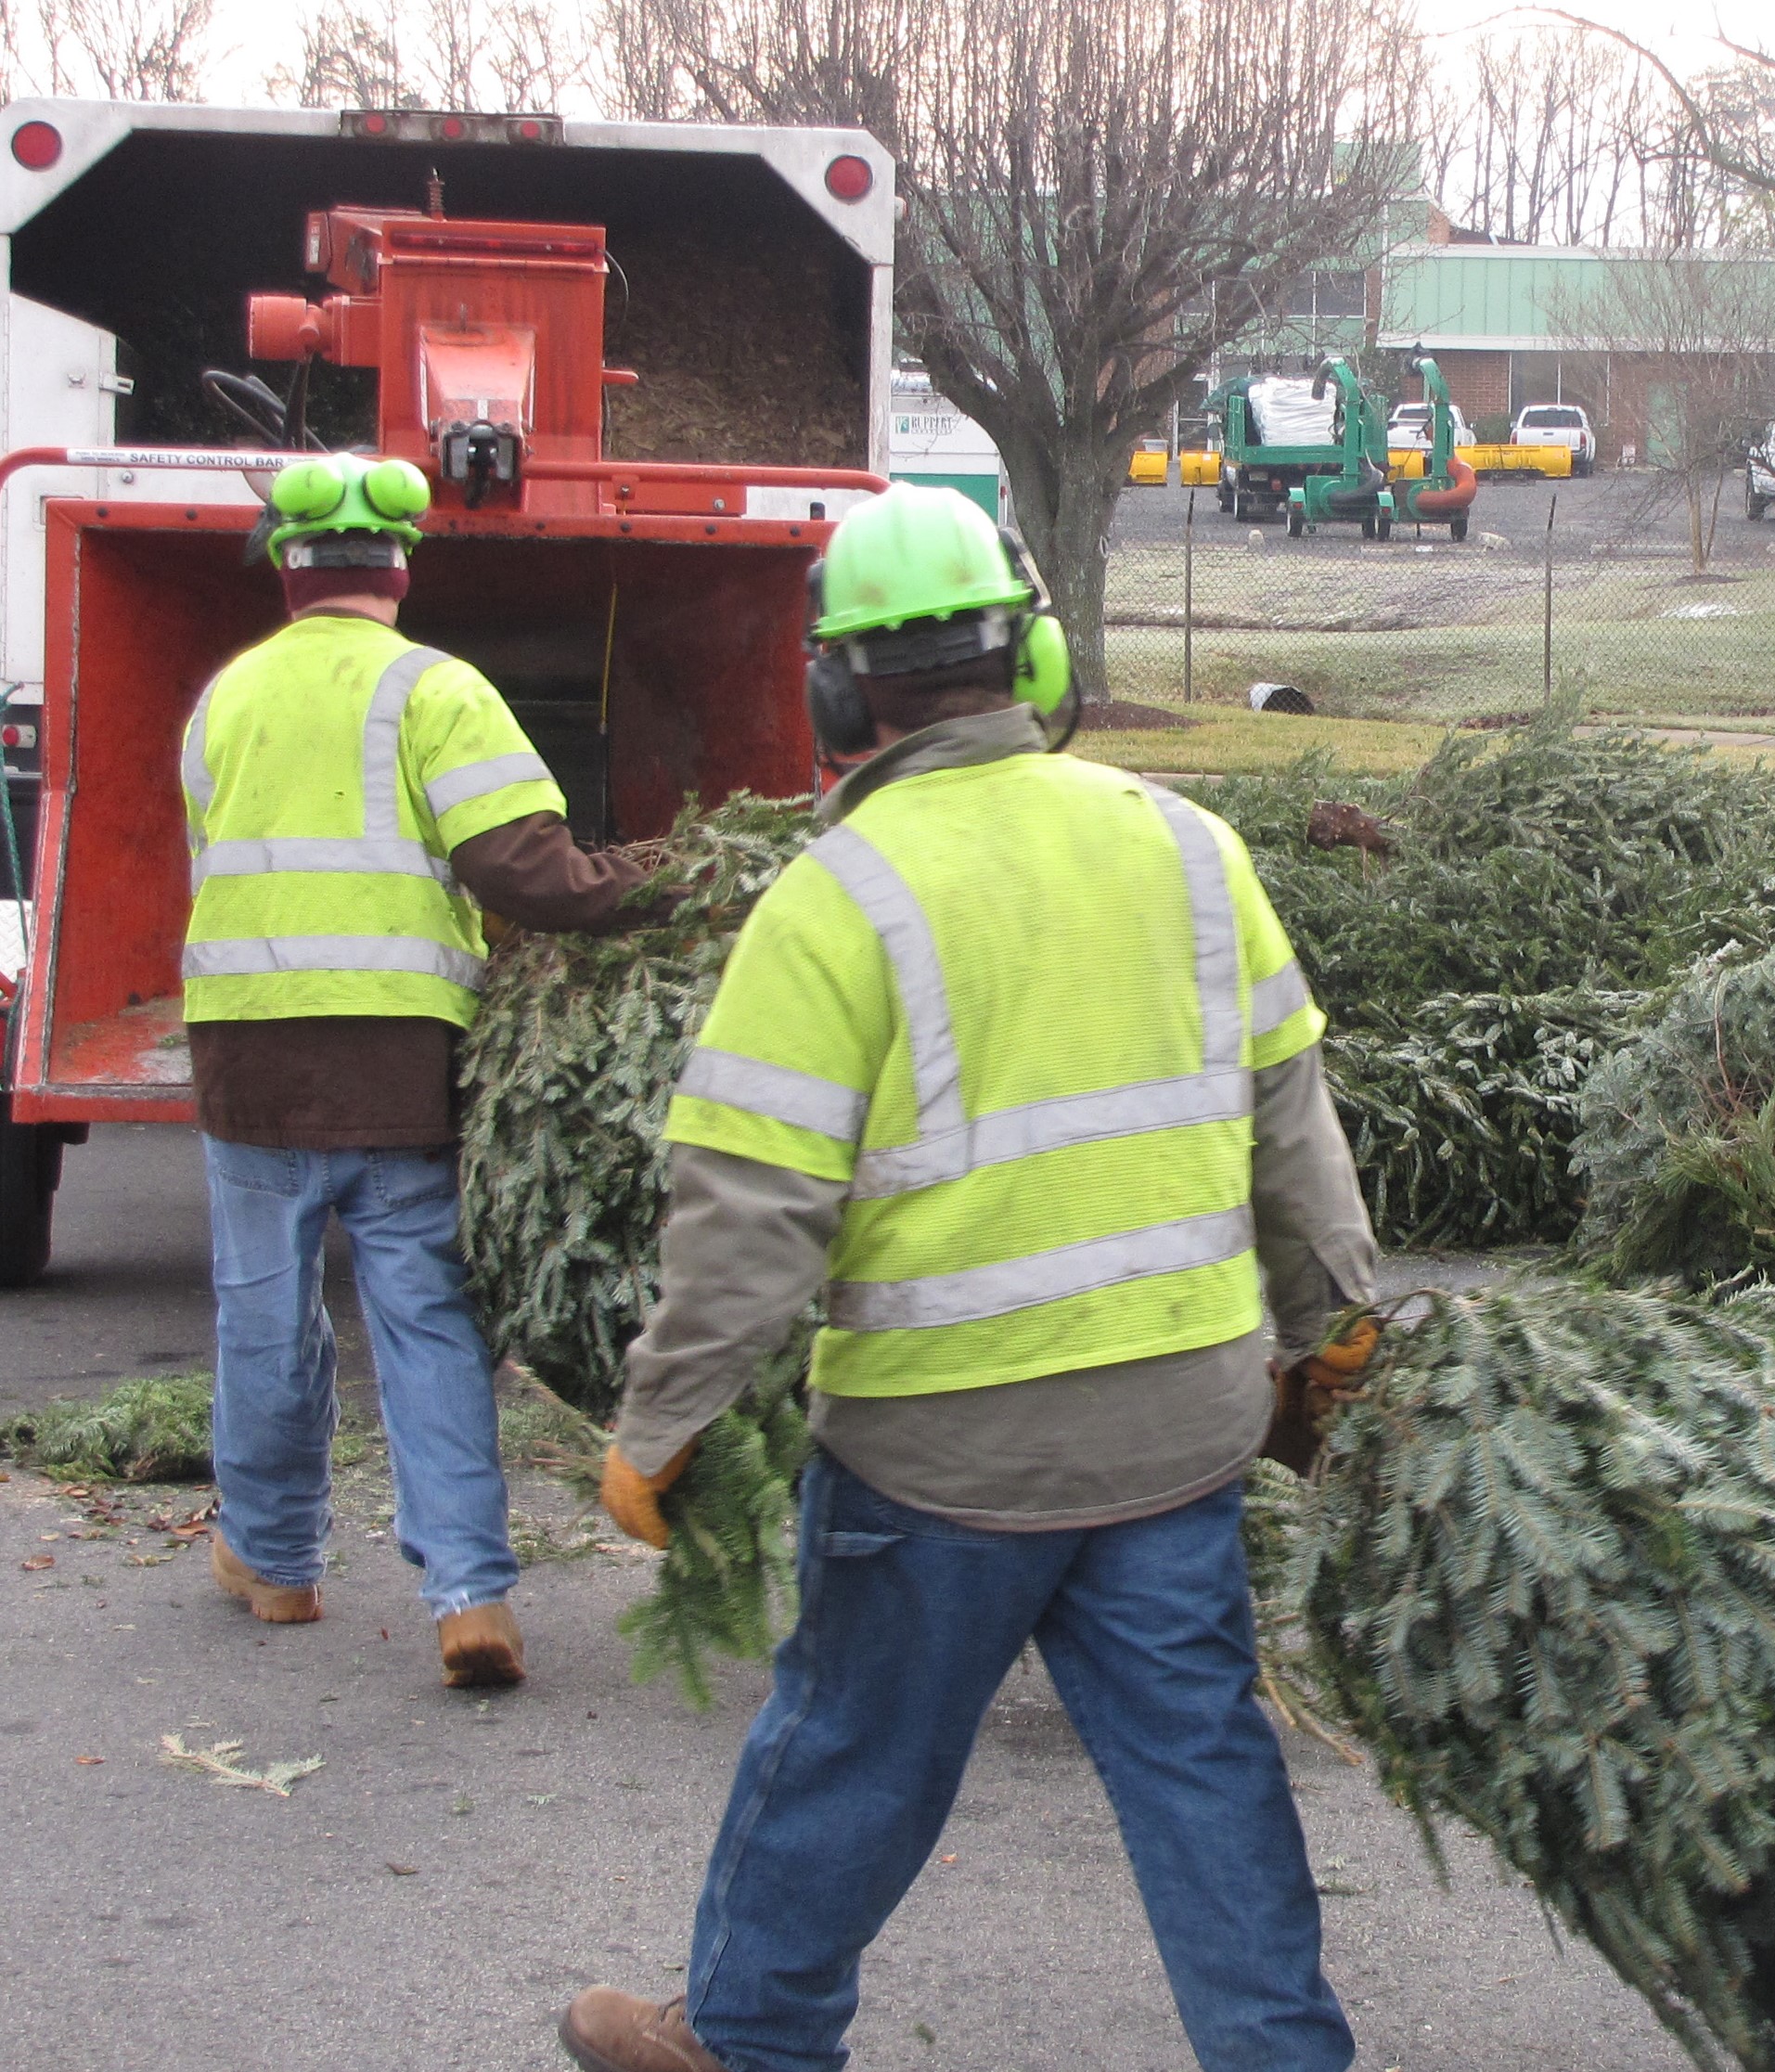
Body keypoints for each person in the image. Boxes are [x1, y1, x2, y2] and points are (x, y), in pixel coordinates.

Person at [555, 485, 1378, 2072]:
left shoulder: (834, 898)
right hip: (1178, 1430)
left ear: (838, 693)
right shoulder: (1191, 848)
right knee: (1205, 1765)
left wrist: (659, 1423)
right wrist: (1330, 1334)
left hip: (938, 1453)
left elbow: (748, 1214)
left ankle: (744, 2035)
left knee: (852, 1751)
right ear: (1040, 656)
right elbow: (1296, 1132)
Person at [183, 451, 652, 1686]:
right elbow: (527, 877)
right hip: (401, 1067)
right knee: (428, 1325)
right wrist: (680, 870)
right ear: (400, 568)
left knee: (263, 1321)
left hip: (245, 1061)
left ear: (286, 570)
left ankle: (275, 1564)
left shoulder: (224, 698)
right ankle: (469, 1597)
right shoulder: (437, 691)